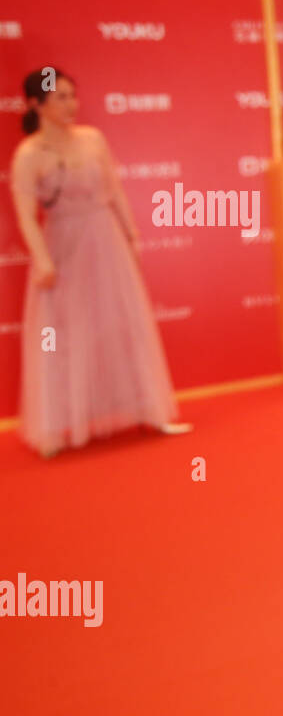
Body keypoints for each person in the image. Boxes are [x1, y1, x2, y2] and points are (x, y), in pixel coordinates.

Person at [8, 68, 191, 458]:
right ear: (37, 104)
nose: (71, 104)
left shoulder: (93, 140)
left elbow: (114, 191)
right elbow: (25, 214)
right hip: (63, 247)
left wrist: (131, 236)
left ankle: (152, 410)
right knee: (59, 335)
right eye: (60, 97)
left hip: (106, 240)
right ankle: (56, 428)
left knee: (125, 323)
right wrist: (41, 261)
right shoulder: (28, 154)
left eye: (73, 95)